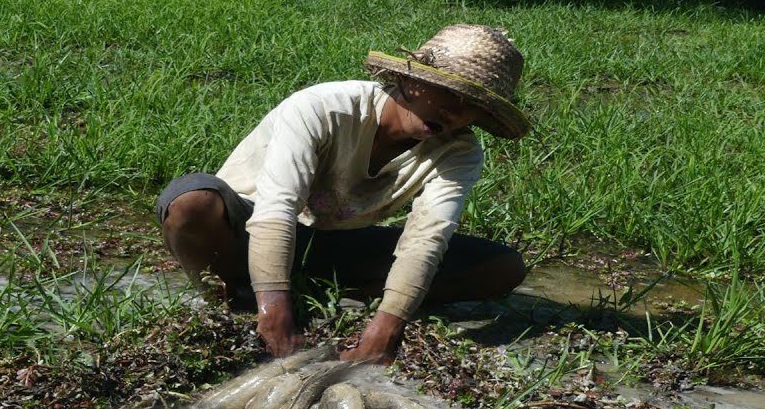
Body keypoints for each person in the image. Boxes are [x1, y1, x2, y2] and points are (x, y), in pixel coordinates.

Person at [156, 24, 530, 365]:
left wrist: (388, 324)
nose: (455, 112)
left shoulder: (459, 152)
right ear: (412, 80)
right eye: (450, 93)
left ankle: (351, 302)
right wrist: (274, 305)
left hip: (333, 242)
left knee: (503, 267)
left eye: (473, 107)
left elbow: (426, 237)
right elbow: (277, 209)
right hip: (248, 231)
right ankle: (232, 296)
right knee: (190, 202)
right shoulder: (326, 107)